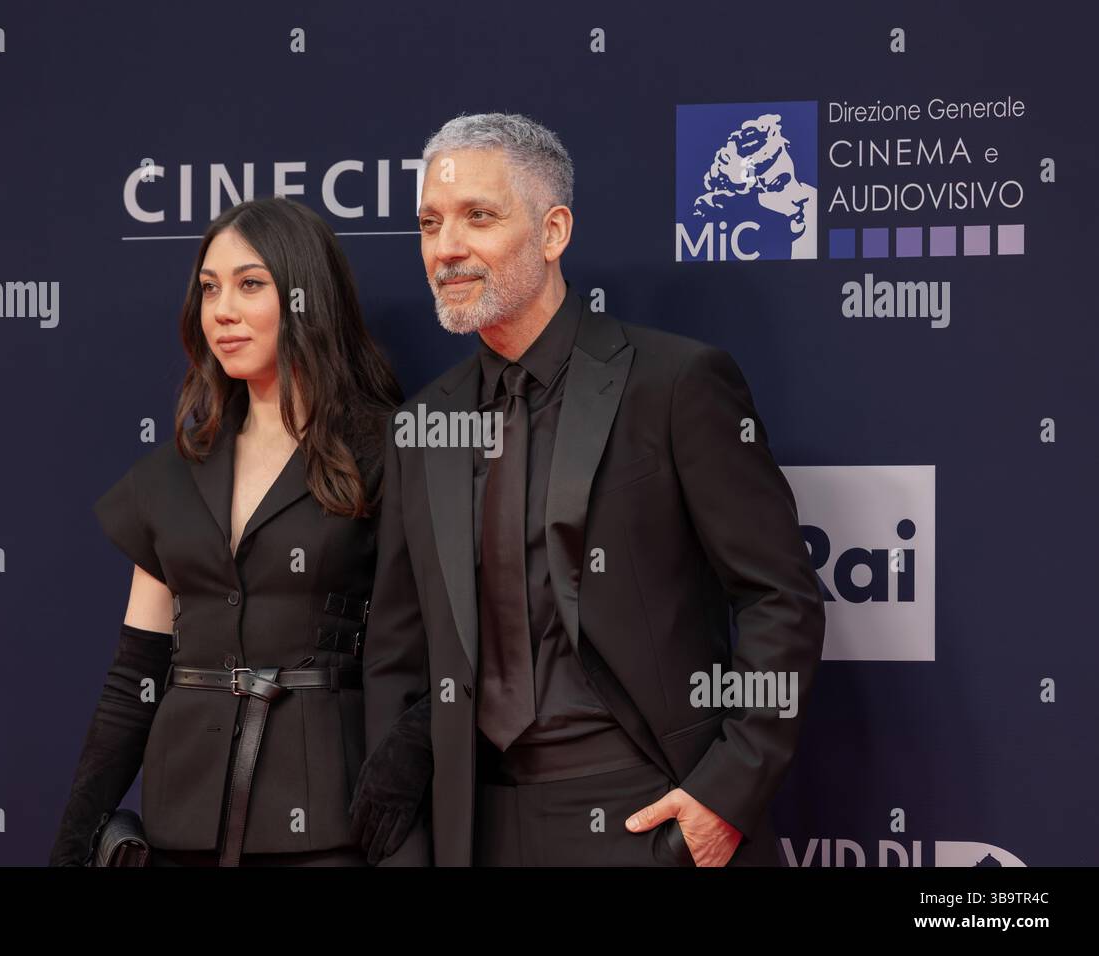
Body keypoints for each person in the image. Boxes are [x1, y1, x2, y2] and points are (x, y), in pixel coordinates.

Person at [353, 112, 825, 866]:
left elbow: (779, 599)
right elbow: (396, 658)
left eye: (479, 217)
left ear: (553, 231)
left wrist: (724, 796)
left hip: (645, 813)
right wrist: (404, 842)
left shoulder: (674, 383)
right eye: (430, 223)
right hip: (474, 828)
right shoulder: (423, 424)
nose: (447, 248)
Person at [49, 196, 403, 867]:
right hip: (184, 826)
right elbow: (135, 675)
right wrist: (71, 846)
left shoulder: (387, 452)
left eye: (250, 285)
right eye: (210, 288)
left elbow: (412, 663)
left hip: (328, 821)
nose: (222, 311)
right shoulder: (172, 474)